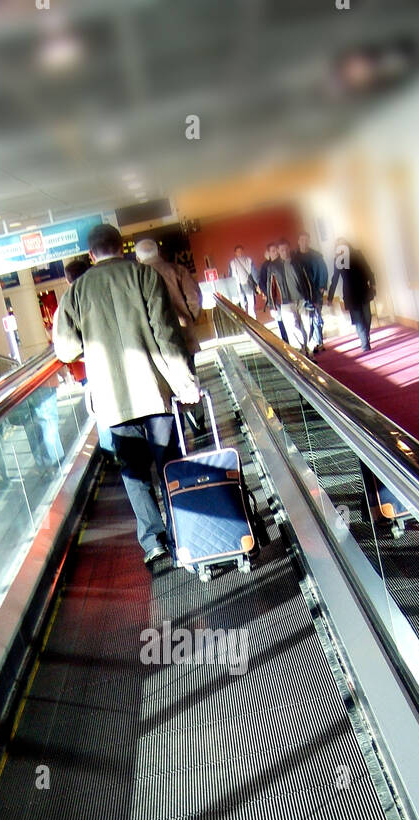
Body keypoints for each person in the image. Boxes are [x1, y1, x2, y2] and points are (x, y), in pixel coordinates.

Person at [52, 223, 200, 564]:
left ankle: (153, 541)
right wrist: (184, 380)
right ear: (124, 246)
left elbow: (66, 349)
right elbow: (165, 333)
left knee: (133, 471)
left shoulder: (76, 291)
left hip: (113, 399)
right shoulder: (144, 276)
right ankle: (182, 536)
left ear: (91, 255)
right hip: (154, 389)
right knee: (169, 464)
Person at [134, 238, 202, 361]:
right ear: (158, 252)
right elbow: (194, 297)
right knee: (191, 374)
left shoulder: (137, 280)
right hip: (184, 334)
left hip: (156, 342)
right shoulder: (178, 270)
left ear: (138, 259)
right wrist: (189, 318)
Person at [328, 241, 376, 351]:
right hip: (350, 293)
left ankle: (365, 336)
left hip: (363, 289)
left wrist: (373, 283)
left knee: (367, 316)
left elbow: (367, 269)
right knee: (358, 319)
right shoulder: (338, 260)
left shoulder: (357, 254)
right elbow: (335, 279)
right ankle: (365, 344)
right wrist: (330, 297)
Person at [270, 239, 314, 355]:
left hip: (302, 299)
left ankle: (309, 350)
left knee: (307, 324)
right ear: (278, 251)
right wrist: (272, 305)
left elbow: (307, 280)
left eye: (286, 249)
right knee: (292, 328)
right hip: (286, 302)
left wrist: (310, 297)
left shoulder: (298, 262)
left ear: (289, 249)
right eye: (282, 250)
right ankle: (300, 352)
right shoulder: (274, 267)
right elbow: (271, 286)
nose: (284, 252)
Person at [296, 231, 328, 353]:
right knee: (306, 317)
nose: (304, 242)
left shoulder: (316, 256)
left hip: (316, 290)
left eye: (306, 240)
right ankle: (311, 341)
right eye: (302, 240)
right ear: (298, 242)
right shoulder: (295, 258)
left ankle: (318, 341)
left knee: (317, 316)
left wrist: (322, 286)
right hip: (303, 292)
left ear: (309, 241)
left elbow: (323, 271)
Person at [257, 243, 289, 342]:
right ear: (268, 253)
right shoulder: (265, 266)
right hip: (274, 298)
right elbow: (262, 282)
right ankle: (286, 340)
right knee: (280, 320)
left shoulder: (283, 262)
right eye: (273, 251)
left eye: (276, 250)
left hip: (285, 297)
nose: (276, 253)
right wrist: (268, 295)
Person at [228, 244, 258, 319]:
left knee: (245, 301)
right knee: (249, 300)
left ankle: (247, 317)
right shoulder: (247, 260)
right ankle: (251, 317)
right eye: (238, 251)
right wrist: (257, 282)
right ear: (235, 253)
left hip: (242, 283)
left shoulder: (234, 262)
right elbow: (254, 272)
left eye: (241, 251)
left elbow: (230, 276)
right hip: (242, 284)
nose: (240, 253)